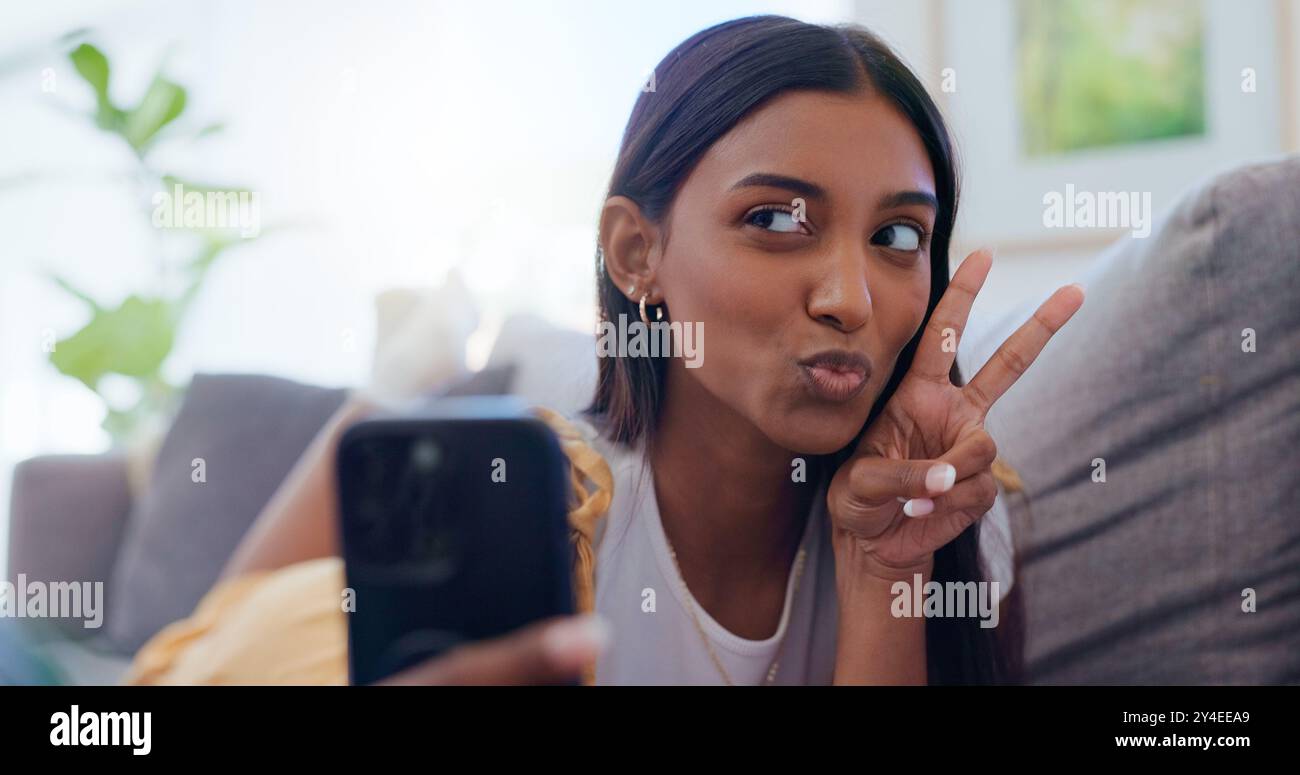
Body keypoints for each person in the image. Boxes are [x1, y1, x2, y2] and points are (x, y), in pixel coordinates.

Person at [179, 15, 1084, 685]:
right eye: (774, 219)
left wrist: (890, 572)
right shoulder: (553, 523)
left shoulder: (952, 520)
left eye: (897, 237)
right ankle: (402, 376)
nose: (849, 299)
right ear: (635, 253)